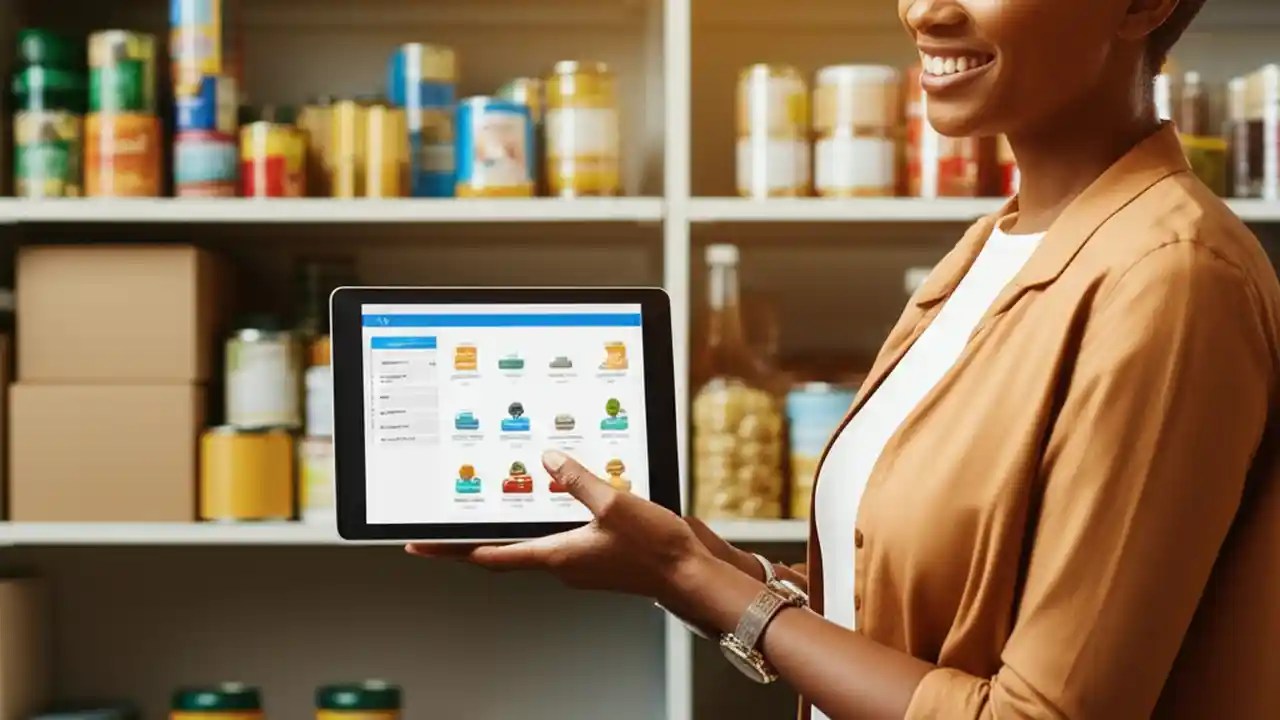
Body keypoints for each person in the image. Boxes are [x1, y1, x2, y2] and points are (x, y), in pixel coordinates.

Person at [410, 0, 1280, 716]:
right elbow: (895, 615)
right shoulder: (991, 247)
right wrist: (698, 562)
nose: (923, 12)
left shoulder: (1171, 278)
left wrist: (694, 583)